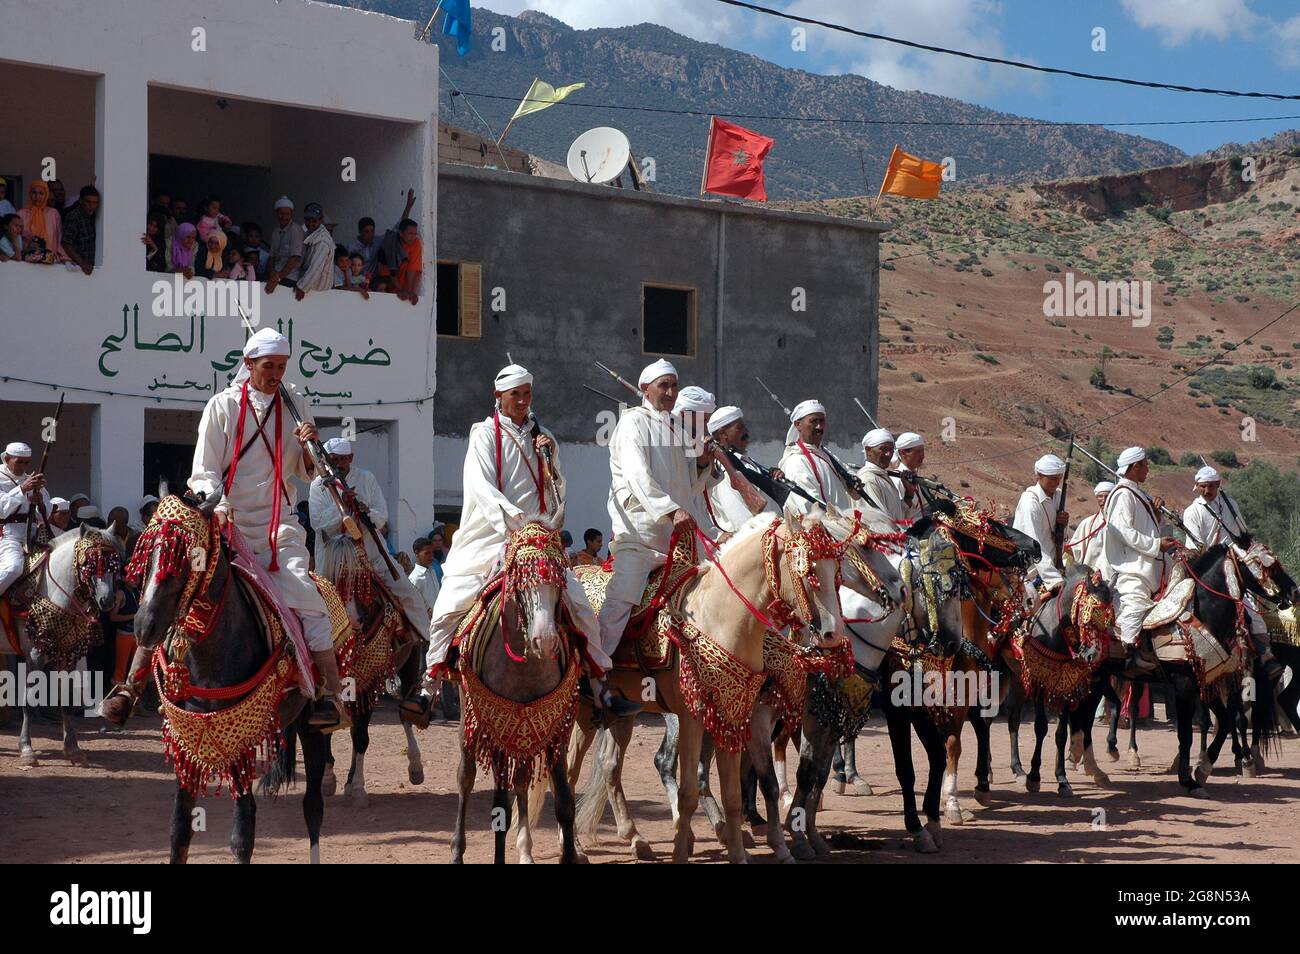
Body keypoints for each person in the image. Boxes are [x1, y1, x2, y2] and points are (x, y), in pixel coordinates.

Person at [401, 364, 638, 723]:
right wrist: (516, 520)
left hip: (538, 540)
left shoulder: (544, 437)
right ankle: (429, 684)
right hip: (490, 535)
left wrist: (551, 463)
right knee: (451, 603)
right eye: (516, 394)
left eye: (527, 393)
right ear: (499, 397)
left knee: (580, 605)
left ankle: (599, 683)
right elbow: (481, 488)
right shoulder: (483, 435)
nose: (524, 400)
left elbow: (559, 495)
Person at [597, 359, 718, 675]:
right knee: (621, 599)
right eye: (663, 385)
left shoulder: (677, 427)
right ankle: (592, 675)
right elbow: (639, 477)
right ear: (644, 389)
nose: (669, 391)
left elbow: (690, 485)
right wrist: (672, 509)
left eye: (673, 385)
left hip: (680, 538)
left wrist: (704, 463)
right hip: (640, 537)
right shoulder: (631, 423)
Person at [308, 436, 430, 634]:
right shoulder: (318, 485)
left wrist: (365, 512)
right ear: (325, 460)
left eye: (342, 459)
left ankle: (428, 645)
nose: (338, 464)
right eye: (333, 459)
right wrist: (343, 509)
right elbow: (318, 523)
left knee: (408, 592)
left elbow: (381, 517)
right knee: (315, 605)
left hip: (371, 554)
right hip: (332, 560)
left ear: (351, 458)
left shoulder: (367, 479)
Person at [1182, 465, 1282, 680]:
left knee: (1252, 608)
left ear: (1218, 485)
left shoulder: (1230, 504)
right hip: (1211, 568)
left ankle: (1265, 653)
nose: (1207, 491)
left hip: (1235, 563)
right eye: (1203, 487)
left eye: (1211, 486)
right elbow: (1195, 547)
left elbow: (1241, 535)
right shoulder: (1192, 511)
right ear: (1197, 487)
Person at [1099, 447, 1177, 677]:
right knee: (1134, 602)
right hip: (1132, 567)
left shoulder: (1136, 493)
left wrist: (1156, 514)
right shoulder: (1123, 494)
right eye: (1145, 465)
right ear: (1135, 467)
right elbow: (1123, 531)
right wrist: (1156, 545)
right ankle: (1129, 653)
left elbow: (1143, 526)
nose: (1148, 469)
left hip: (1150, 565)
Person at [703, 405, 780, 535]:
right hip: (755, 540)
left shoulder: (742, 460)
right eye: (739, 428)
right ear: (723, 433)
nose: (746, 431)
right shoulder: (724, 468)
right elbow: (740, 519)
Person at [778, 400, 861, 519]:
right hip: (822, 531)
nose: (819, 426)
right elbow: (809, 507)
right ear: (798, 425)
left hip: (841, 527)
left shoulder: (825, 454)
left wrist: (854, 484)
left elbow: (848, 476)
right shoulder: (795, 461)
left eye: (822, 421)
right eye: (813, 421)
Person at [1012, 454, 1070, 596]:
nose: (1056, 482)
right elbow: (1035, 546)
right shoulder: (1030, 503)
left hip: (1051, 567)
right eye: (1052, 478)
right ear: (1039, 475)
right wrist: (1054, 580)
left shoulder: (1058, 496)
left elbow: (1058, 535)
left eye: (1059, 478)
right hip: (1029, 571)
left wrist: (1063, 524)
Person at [0, 443, 49, 599]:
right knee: (13, 568)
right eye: (19, 461)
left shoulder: (32, 481)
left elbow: (45, 515)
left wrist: (40, 502)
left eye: (26, 462)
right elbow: (2, 510)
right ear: (7, 459)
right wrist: (22, 489)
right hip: (8, 537)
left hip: (34, 537)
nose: (23, 466)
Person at [376, 189, 422, 305]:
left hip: (403, 286)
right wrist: (400, 290)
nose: (413, 237)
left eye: (414, 234)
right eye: (410, 234)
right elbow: (390, 271)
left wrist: (410, 291)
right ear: (401, 233)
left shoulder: (415, 243)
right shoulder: (391, 242)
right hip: (387, 281)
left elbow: (412, 268)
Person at [858, 428, 906, 527]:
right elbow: (878, 521)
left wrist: (909, 494)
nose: (889, 454)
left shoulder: (881, 476)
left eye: (891, 450)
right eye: (883, 449)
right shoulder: (868, 479)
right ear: (868, 450)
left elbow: (896, 514)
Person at [1066, 481, 1113, 570]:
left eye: (1108, 496)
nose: (1104, 499)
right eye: (1100, 496)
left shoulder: (1123, 523)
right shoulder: (1087, 523)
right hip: (1090, 576)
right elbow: (1075, 551)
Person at [292, 202, 334, 300]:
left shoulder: (323, 241)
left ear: (321, 220)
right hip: (312, 288)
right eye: (307, 220)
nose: (310, 224)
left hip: (320, 292)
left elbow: (315, 268)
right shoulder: (309, 234)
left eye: (314, 220)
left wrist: (302, 287)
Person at [265, 196, 304, 293]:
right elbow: (271, 258)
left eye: (287, 214)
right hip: (275, 276)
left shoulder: (296, 230)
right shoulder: (275, 231)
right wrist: (272, 273)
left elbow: (295, 259)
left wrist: (277, 278)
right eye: (281, 213)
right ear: (276, 213)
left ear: (292, 214)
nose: (284, 217)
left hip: (289, 277)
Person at [18, 181, 63, 264]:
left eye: (41, 193)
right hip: (27, 262)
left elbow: (59, 237)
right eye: (34, 193)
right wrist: (27, 246)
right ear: (30, 194)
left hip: (50, 261)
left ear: (46, 195)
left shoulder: (53, 213)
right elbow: (15, 237)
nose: (37, 196)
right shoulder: (22, 214)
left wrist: (64, 258)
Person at [61, 185, 99, 276]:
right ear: (81, 201)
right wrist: (82, 263)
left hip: (92, 268)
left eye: (95, 203)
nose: (92, 206)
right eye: (88, 202)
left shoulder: (96, 217)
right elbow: (66, 243)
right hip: (78, 269)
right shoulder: (74, 216)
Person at [891, 432, 927, 523]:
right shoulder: (897, 480)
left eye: (922, 451)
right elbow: (898, 514)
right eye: (918, 452)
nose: (922, 456)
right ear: (903, 453)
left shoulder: (915, 478)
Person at [408, 536, 441, 618]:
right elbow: (416, 604)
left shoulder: (432, 571)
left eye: (432, 552)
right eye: (427, 553)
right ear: (417, 554)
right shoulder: (414, 578)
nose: (431, 556)